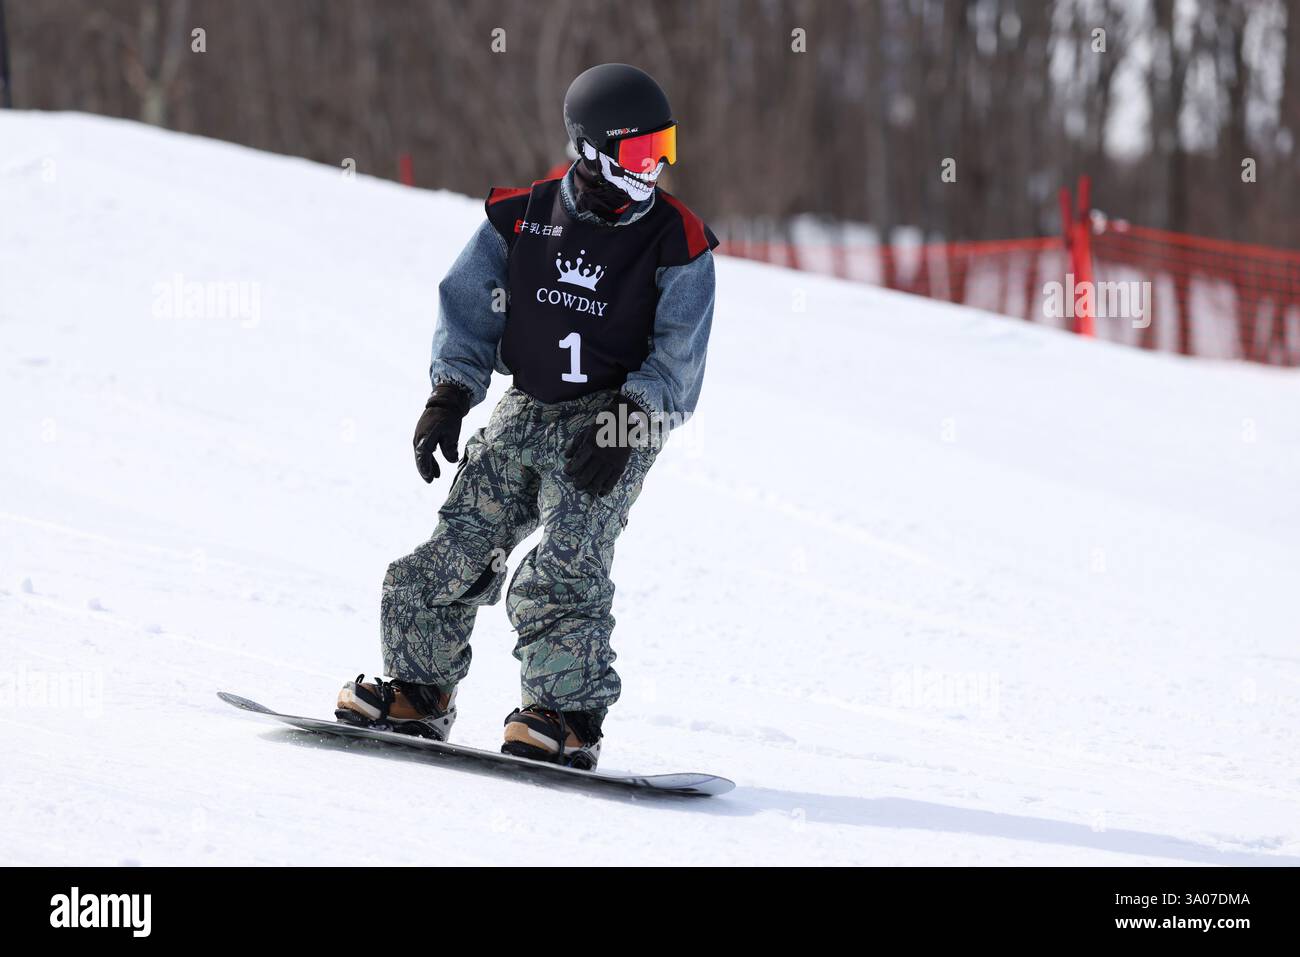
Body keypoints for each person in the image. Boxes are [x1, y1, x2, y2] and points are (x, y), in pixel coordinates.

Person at [335, 63, 718, 770]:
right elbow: (470, 306)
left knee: (565, 561)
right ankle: (420, 691)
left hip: (616, 417)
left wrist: (629, 420)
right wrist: (450, 394)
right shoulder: (520, 216)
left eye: (665, 147)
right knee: (455, 545)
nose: (656, 167)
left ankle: (564, 715)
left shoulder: (679, 242)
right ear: (593, 151)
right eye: (640, 152)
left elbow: (677, 364)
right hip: (530, 403)